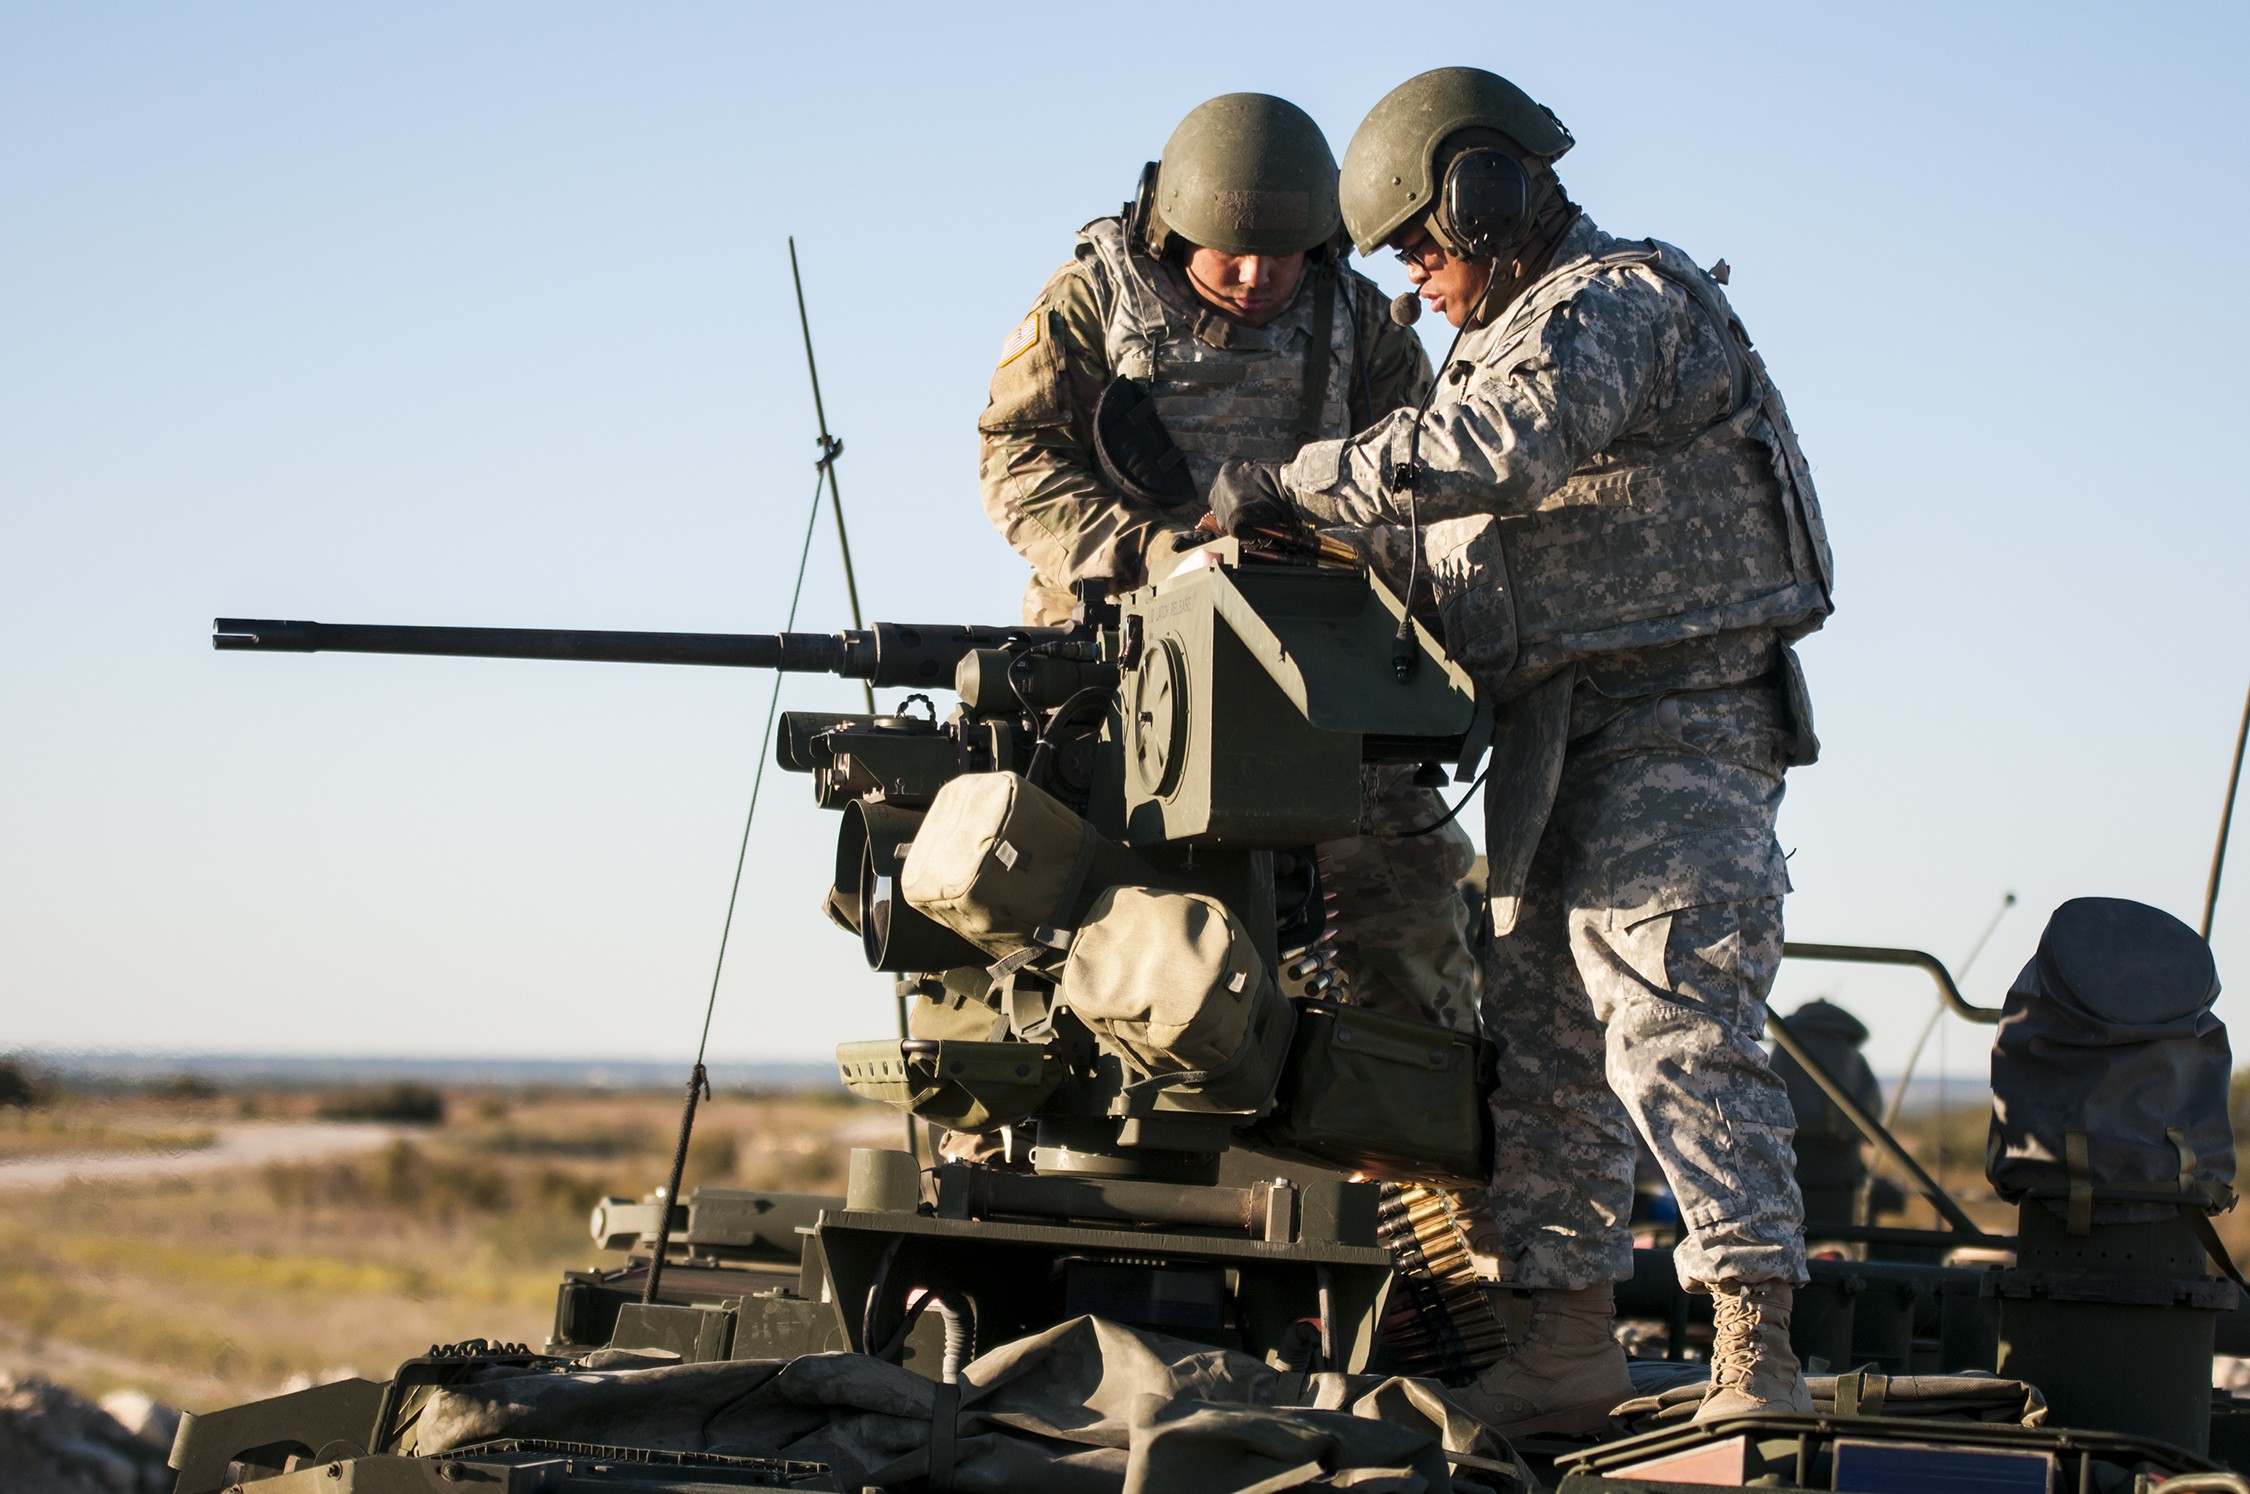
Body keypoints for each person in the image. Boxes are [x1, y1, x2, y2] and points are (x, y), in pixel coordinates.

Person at [1209, 67, 1835, 1429]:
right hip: (1554, 724)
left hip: (1682, 712)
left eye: (1418, 250)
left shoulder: (1616, 305)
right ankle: (1562, 1343)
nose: (1413, 286)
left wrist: (1290, 480)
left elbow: (1492, 453)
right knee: (1543, 1038)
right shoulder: (1492, 341)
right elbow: (1445, 542)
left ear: (1481, 196)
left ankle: (1752, 1350)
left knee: (1667, 1008)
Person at [975, 92, 1479, 1028]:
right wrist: (1149, 554)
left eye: (1281, 255)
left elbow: (1425, 486)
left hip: (1312, 662)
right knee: (1056, 915)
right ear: (1176, 231)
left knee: (1407, 911)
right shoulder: (1090, 303)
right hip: (1120, 665)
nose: (1254, 277)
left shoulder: (1359, 323)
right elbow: (1018, 462)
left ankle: (1403, 1147)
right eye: (1229, 255)